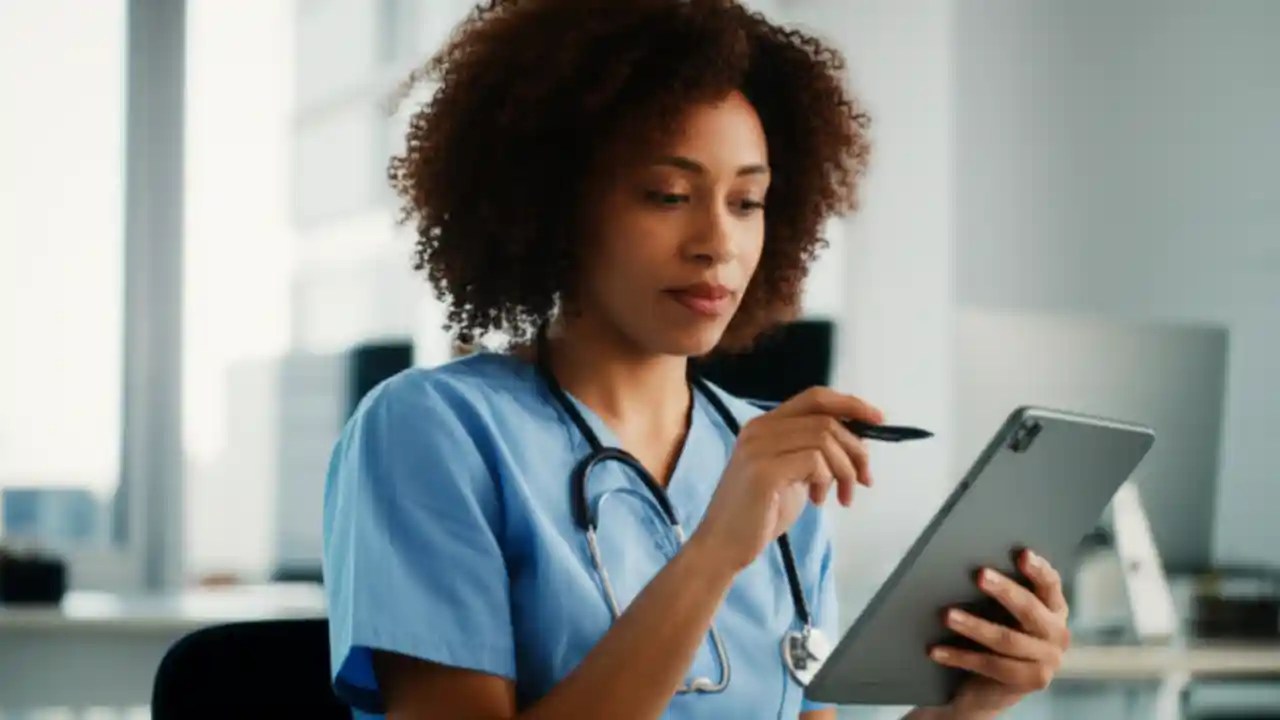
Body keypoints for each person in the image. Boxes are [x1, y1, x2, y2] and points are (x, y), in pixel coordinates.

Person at [322, 1, 1072, 718]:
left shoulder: (775, 456)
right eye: (668, 194)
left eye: (747, 202)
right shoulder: (432, 431)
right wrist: (716, 549)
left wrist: (970, 707)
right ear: (553, 203)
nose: (718, 242)